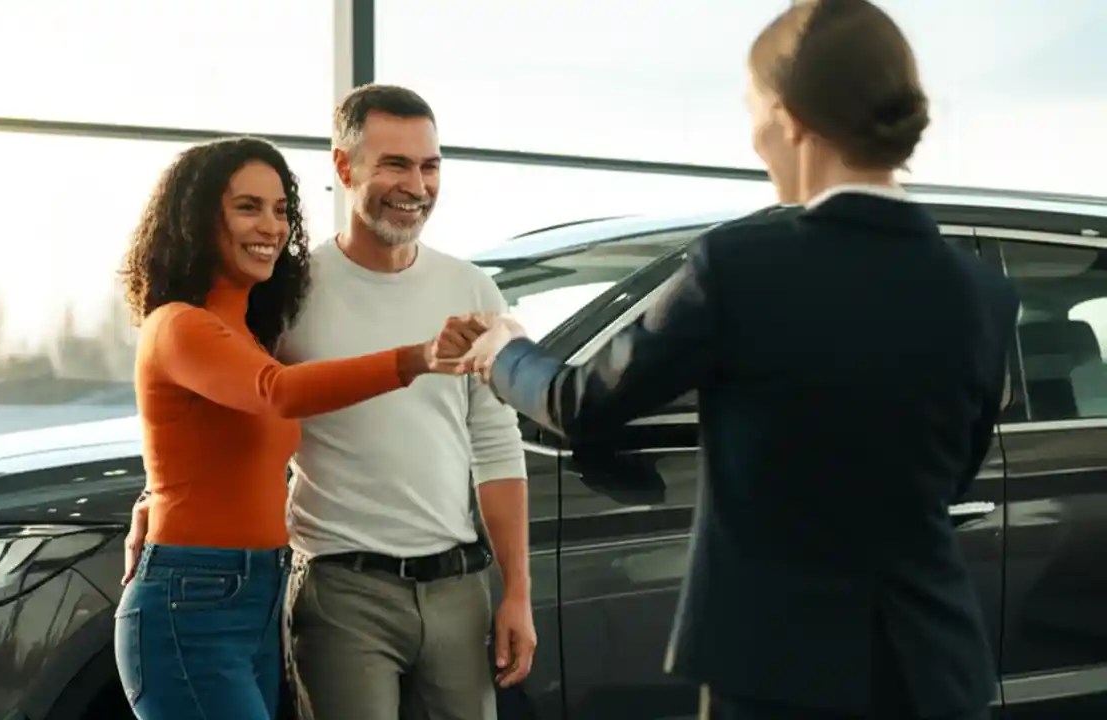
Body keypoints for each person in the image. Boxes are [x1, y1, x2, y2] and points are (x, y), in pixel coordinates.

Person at [451, 2, 1018, 719]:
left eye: (753, 111)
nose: (754, 140)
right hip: (934, 671)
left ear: (790, 116)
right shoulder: (983, 295)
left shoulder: (741, 266)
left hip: (776, 671)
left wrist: (504, 351)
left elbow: (583, 404)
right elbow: (951, 472)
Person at [113, 136, 474, 720]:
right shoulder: (179, 325)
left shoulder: (249, 335)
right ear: (199, 218)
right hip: (193, 602)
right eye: (247, 206)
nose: (272, 226)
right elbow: (275, 394)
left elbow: (205, 448)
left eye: (281, 209)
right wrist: (418, 357)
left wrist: (153, 496)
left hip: (257, 595)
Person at [275, 83, 535, 720]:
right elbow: (235, 408)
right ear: (344, 166)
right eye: (394, 164)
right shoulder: (291, 292)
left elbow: (498, 448)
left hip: (459, 591)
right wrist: (154, 496)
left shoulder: (471, 287)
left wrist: (517, 593)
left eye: (430, 165)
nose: (415, 185)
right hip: (342, 595)